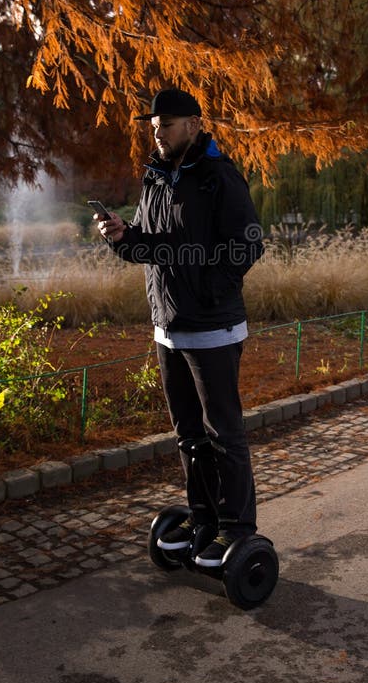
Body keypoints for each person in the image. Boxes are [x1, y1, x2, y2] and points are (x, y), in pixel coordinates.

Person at [95, 86, 263, 568]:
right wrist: (122, 236)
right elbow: (148, 245)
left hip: (212, 329)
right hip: (167, 329)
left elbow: (248, 244)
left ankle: (236, 529)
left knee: (223, 435)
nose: (158, 134)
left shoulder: (219, 176)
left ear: (193, 124)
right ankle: (203, 519)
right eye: (153, 127)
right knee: (189, 435)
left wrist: (206, 292)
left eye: (165, 126)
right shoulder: (156, 177)